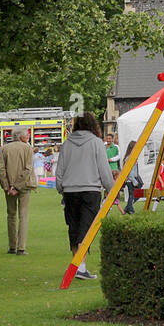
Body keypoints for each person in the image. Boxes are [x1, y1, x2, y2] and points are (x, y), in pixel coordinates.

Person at [56, 113, 116, 280]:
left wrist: (61, 187)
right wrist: (111, 188)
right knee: (86, 230)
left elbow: (60, 170)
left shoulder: (67, 143)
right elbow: (104, 169)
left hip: (69, 191)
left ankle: (77, 264)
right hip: (90, 190)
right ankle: (80, 266)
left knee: (74, 229)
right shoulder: (96, 143)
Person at [0, 126, 37, 252]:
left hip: (9, 187)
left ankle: (12, 246)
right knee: (23, 216)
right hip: (24, 186)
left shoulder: (4, 149)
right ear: (21, 137)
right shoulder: (28, 148)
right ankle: (21, 247)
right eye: (27, 136)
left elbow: (2, 170)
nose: (28, 138)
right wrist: (17, 186)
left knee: (11, 215)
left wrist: (8, 186)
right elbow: (28, 169)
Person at [121, 140, 143, 214]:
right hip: (130, 180)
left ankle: (128, 207)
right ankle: (130, 209)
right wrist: (134, 181)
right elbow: (129, 172)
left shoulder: (133, 157)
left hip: (133, 179)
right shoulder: (129, 158)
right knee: (132, 194)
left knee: (136, 194)